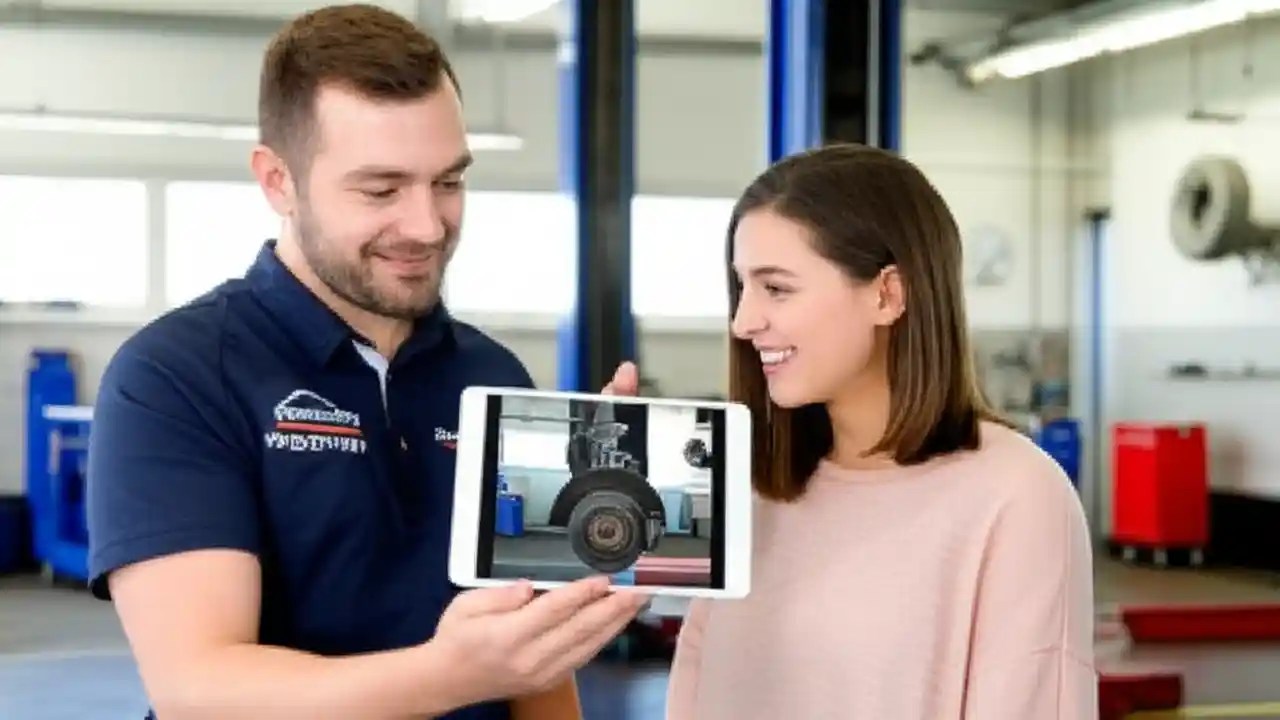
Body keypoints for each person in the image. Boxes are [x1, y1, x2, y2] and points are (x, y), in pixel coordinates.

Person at [85, 5, 648, 720]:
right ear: (278, 181)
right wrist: (451, 675)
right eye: (381, 190)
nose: (426, 225)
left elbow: (536, 670)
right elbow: (201, 688)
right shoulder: (176, 377)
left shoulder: (494, 376)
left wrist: (586, 540)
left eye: (448, 182)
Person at [665, 144, 1098, 719]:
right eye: (741, 287)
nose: (743, 322)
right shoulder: (752, 490)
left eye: (777, 288)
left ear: (887, 294)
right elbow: (695, 689)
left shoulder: (1016, 495)